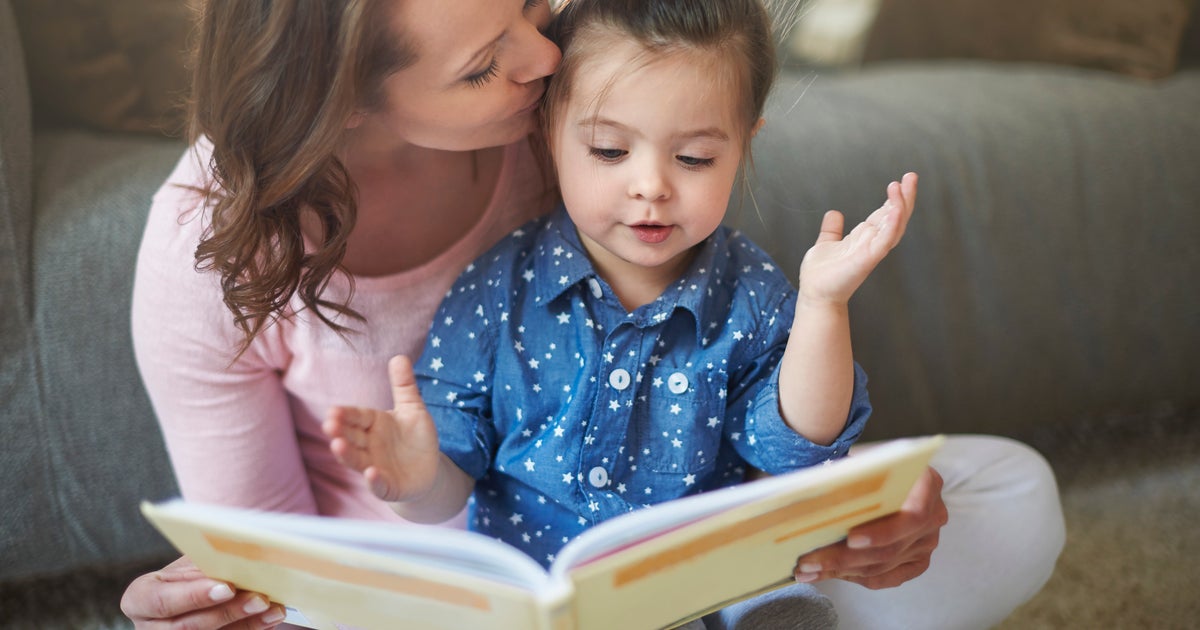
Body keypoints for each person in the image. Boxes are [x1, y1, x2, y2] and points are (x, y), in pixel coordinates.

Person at [121, 0, 1064, 628]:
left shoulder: (575, 104)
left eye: (530, 7)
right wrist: (207, 601)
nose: (544, 57)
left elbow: (781, 442)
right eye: (488, 63)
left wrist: (868, 513)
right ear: (345, 100)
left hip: (698, 548)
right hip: (452, 588)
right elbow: (269, 570)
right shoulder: (210, 251)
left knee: (1008, 493)